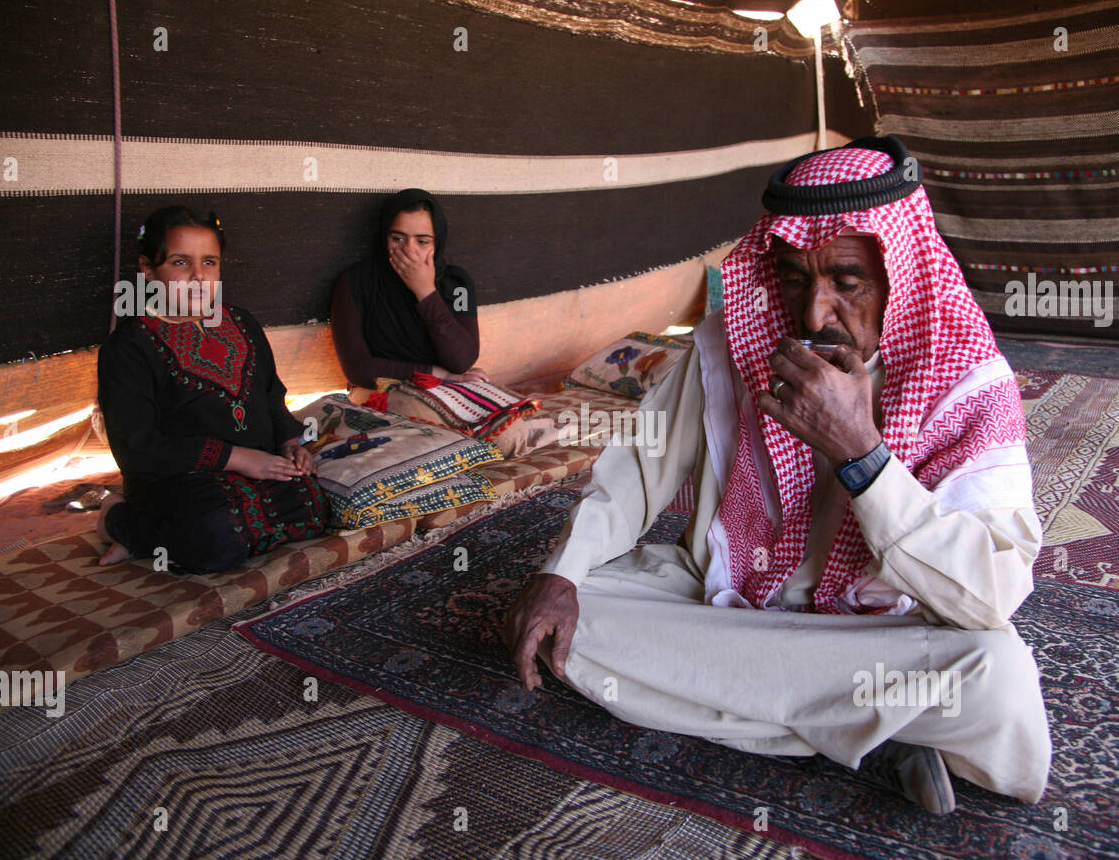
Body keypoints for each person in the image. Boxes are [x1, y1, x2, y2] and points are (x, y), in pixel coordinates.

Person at [504, 137, 1051, 814]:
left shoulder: (969, 384)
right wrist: (562, 575)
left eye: (846, 283)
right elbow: (640, 471)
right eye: (795, 279)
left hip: (883, 635)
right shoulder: (733, 341)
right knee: (574, 615)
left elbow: (988, 598)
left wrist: (862, 456)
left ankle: (820, 706)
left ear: (900, 273)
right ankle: (879, 730)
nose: (814, 314)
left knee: (995, 682)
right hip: (733, 602)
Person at [96, 206, 329, 572]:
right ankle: (118, 520)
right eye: (179, 263)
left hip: (256, 469)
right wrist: (236, 457)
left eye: (209, 263)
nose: (197, 277)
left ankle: (156, 538)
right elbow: (136, 447)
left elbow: (271, 396)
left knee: (313, 506)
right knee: (218, 537)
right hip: (178, 480)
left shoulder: (242, 322)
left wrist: (290, 445)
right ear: (147, 269)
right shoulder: (129, 346)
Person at [330, 189, 487, 388]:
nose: (408, 250)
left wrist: (426, 292)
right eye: (397, 239)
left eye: (422, 241)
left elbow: (461, 361)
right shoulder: (356, 282)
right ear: (384, 236)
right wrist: (438, 374)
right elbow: (358, 368)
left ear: (437, 242)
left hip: (450, 386)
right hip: (384, 390)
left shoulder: (457, 284)